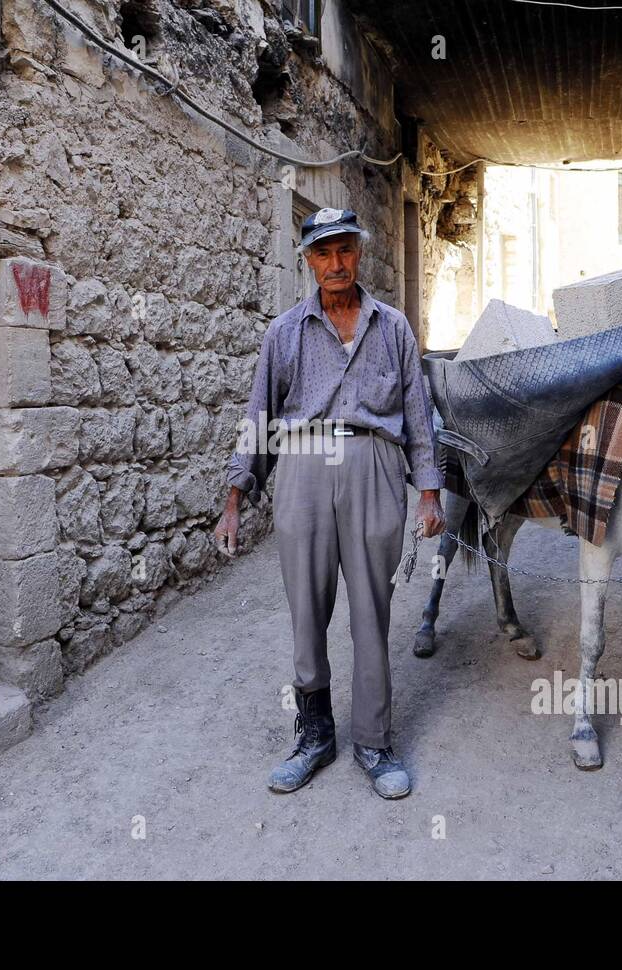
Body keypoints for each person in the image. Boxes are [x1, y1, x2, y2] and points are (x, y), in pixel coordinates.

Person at [213, 207, 445, 799]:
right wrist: (235, 497)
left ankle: (374, 739)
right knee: (306, 612)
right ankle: (314, 735)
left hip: (372, 465)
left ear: (358, 252)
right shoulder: (283, 333)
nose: (336, 263)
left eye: (344, 249)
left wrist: (428, 492)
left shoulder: (392, 327)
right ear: (309, 261)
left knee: (372, 607)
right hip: (302, 468)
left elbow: (418, 416)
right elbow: (257, 418)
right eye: (323, 253)